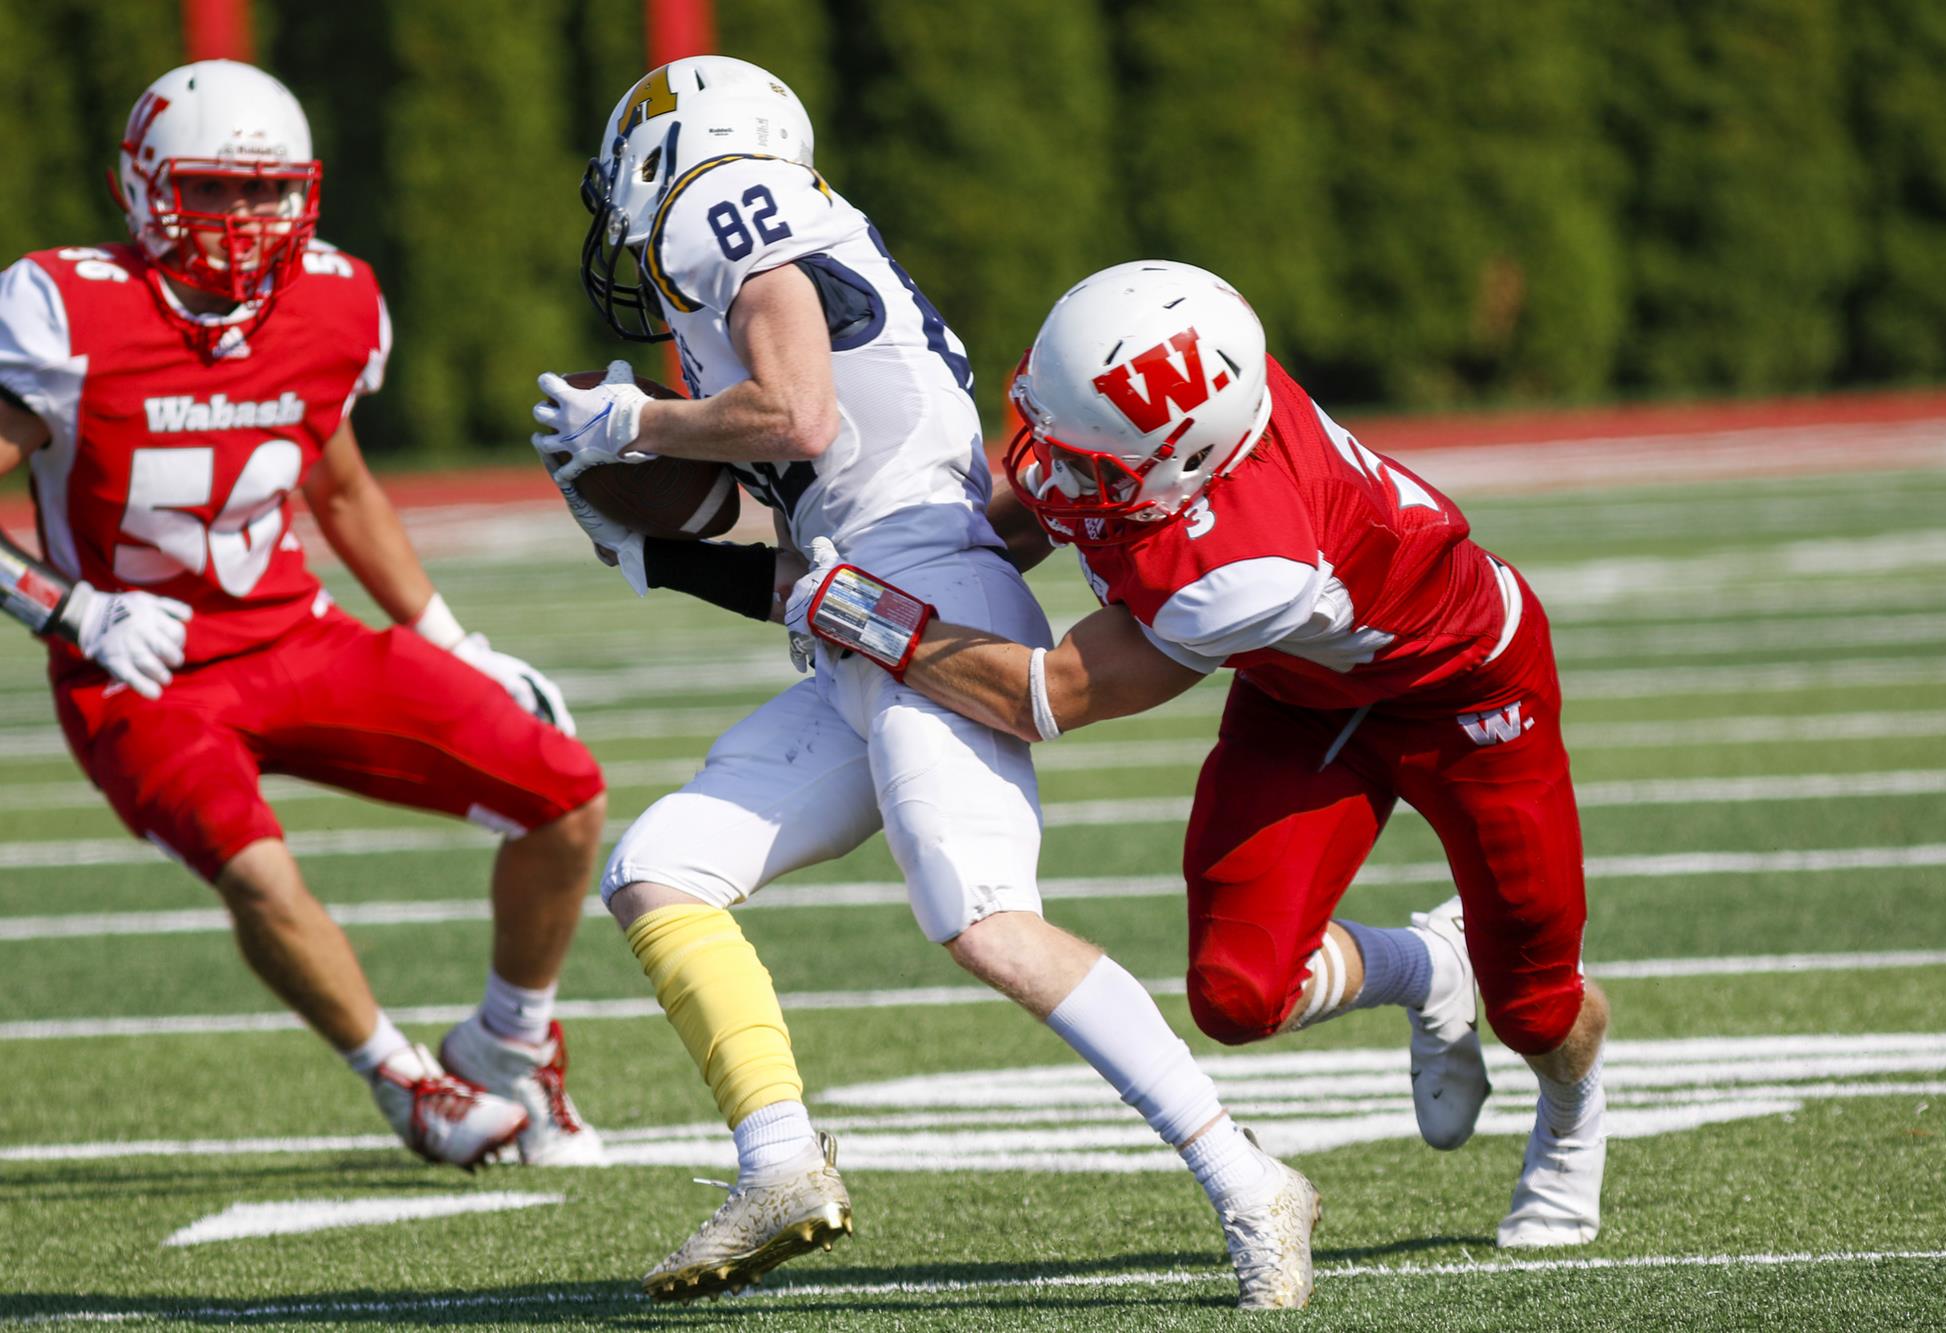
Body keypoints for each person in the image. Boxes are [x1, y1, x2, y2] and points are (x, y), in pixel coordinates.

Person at [535, 57, 1320, 1308]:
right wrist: (637, 515)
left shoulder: (721, 200)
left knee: (984, 917)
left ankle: (1245, 1176)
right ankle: (781, 1163)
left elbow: (791, 417)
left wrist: (636, 425)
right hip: (878, 602)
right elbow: (799, 511)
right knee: (659, 869)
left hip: (923, 599)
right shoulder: (774, 236)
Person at [787, 259, 1611, 1249]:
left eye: (1087, 462)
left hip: (1466, 695)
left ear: (1189, 462)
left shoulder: (1243, 562)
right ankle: (1427, 967)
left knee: (1531, 1001)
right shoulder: (1174, 424)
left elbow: (1039, 696)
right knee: (1236, 994)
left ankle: (1571, 1123)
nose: (1048, 467)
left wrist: (865, 611)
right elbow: (1039, 508)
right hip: (1304, 691)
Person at [0, 60, 609, 1169]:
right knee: (256, 867)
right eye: (211, 191)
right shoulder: (70, 310)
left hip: (292, 634)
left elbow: (338, 487)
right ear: (139, 188)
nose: (242, 219)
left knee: (562, 792)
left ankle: (507, 1045)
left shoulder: (332, 299)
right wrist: (73, 612)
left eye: (266, 190)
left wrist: (451, 641)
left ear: (306, 193)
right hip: (143, 670)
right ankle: (401, 1083)